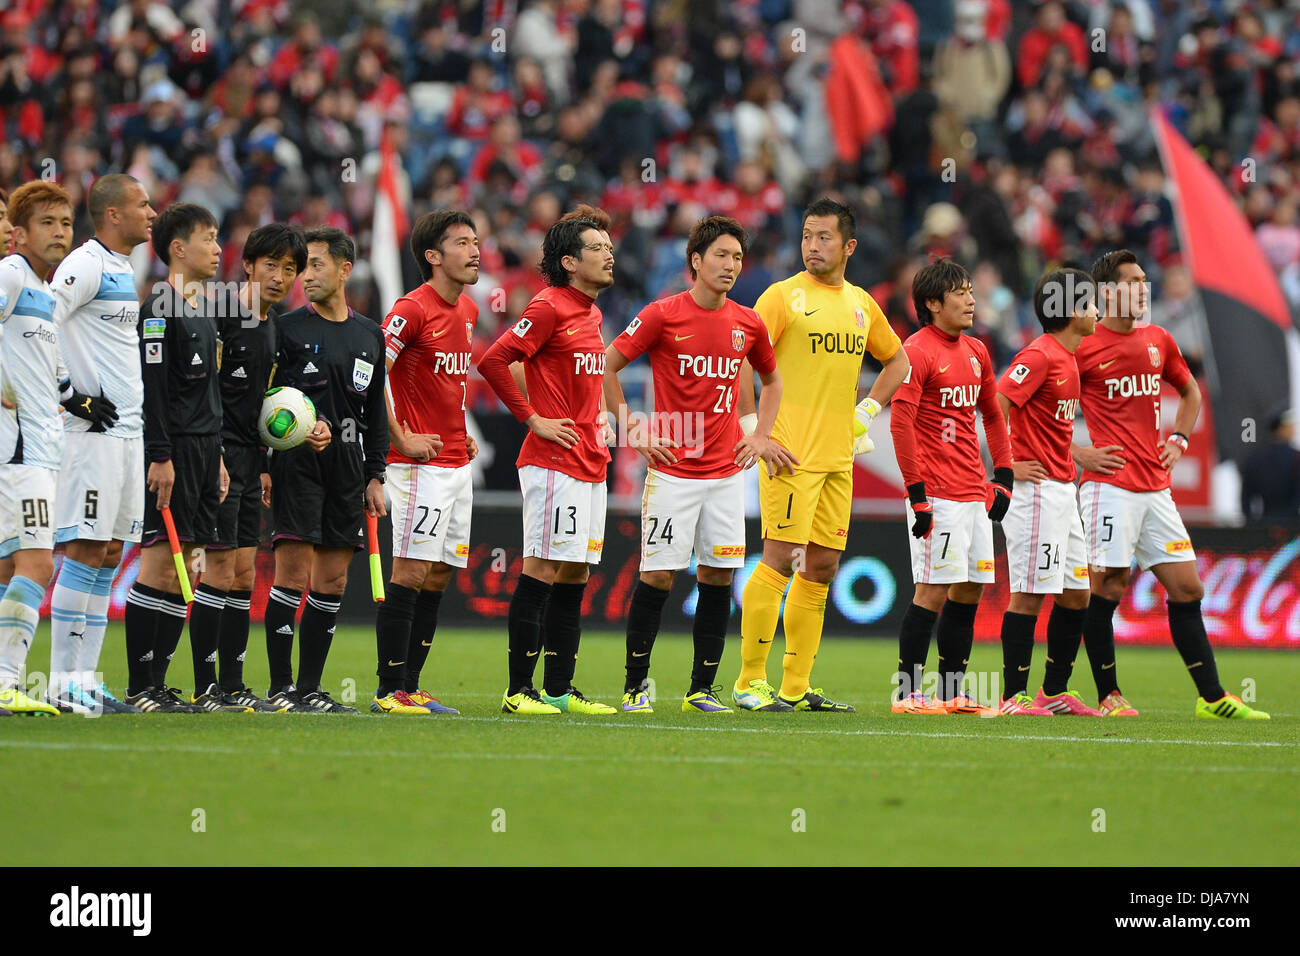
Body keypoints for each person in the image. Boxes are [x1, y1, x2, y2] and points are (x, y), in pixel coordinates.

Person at [603, 215, 796, 714]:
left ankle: (700, 691)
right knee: (659, 577)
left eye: (737, 257)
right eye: (721, 256)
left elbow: (772, 383)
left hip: (727, 474)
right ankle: (635, 687)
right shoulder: (662, 314)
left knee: (717, 578)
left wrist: (759, 435)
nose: (731, 265)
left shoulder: (747, 322)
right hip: (672, 474)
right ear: (695, 261)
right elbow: (607, 364)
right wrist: (633, 427)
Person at [1074, 250, 1269, 719]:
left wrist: (1179, 438)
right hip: (1108, 487)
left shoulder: (1158, 339)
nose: (1144, 288)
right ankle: (1107, 695)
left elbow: (1190, 391)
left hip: (1154, 488)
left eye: (1145, 280)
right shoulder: (1081, 347)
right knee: (1108, 586)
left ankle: (1213, 697)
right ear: (1108, 292)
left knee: (1188, 589)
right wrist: (1077, 453)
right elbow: (1033, 410)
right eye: (1133, 281)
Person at [733, 198, 908, 712]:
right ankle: (748, 682)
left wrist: (868, 410)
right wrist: (753, 430)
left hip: (838, 456)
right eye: (807, 235)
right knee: (781, 558)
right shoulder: (783, 297)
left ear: (848, 245)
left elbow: (898, 360)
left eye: (824, 237)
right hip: (790, 453)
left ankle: (795, 687)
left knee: (824, 566)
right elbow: (744, 359)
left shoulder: (860, 303)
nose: (813, 245)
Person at [478, 207, 618, 716]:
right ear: (569, 261)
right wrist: (533, 418)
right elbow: (493, 359)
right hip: (553, 460)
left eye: (608, 245)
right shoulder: (548, 307)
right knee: (541, 564)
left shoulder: (591, 312)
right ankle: (519, 691)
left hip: (590, 459)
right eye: (597, 248)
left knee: (577, 571)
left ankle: (559, 688)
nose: (609, 254)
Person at [262, 227, 388, 714]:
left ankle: (310, 689)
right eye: (301, 267)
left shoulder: (369, 334)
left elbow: (375, 412)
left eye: (314, 265)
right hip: (298, 464)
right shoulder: (286, 329)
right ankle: (279, 689)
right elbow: (264, 403)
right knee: (292, 575)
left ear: (344, 270)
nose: (305, 276)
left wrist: (376, 473)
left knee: (332, 582)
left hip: (349, 469)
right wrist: (282, 442)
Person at [123, 202, 237, 712]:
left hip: (204, 451)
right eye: (208, 238)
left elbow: (204, 392)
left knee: (184, 569)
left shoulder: (203, 310)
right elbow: (153, 388)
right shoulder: (159, 307)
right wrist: (161, 456)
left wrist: (216, 458)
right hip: (173, 453)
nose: (217, 248)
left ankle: (159, 684)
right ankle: (139, 685)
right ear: (177, 248)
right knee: (158, 566)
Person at [48, 173, 154, 714]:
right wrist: (70, 395)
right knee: (86, 549)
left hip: (126, 434)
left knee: (111, 553)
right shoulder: (84, 264)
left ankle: (85, 679)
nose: (152, 212)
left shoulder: (120, 267)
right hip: (92, 435)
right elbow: (42, 322)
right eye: (142, 204)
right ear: (113, 214)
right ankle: (61, 682)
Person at [889, 258, 1012, 715]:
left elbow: (993, 415)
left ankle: (951, 692)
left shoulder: (978, 350)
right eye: (960, 292)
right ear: (933, 303)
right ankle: (907, 693)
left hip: (973, 492)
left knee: (970, 588)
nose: (971, 299)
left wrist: (1003, 475)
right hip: (936, 494)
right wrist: (916, 493)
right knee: (932, 590)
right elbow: (900, 425)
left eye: (970, 291)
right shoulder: (916, 351)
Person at [372, 209, 481, 716]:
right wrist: (402, 437)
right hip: (417, 466)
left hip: (455, 461)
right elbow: (372, 374)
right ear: (433, 256)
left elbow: (445, 385)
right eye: (462, 242)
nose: (475, 250)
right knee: (411, 569)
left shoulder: (468, 311)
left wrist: (461, 433)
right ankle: (388, 689)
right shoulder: (411, 308)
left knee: (438, 573)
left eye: (475, 240)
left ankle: (413, 686)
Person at [994, 267, 1109, 717]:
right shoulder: (1039, 355)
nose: (1098, 310)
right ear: (1072, 310)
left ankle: (1053, 691)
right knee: (1028, 593)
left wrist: (1076, 452)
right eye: (1091, 302)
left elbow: (1044, 424)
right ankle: (1012, 697)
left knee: (1077, 593)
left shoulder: (1068, 357)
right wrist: (1005, 466)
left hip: (1065, 490)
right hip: (1036, 494)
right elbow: (994, 406)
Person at [202, 223, 307, 711]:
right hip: (218, 455)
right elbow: (203, 391)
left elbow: (262, 401)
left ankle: (232, 685)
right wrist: (214, 455)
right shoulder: (220, 314)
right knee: (220, 569)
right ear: (247, 265)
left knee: (244, 575)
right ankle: (204, 686)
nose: (280, 277)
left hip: (249, 457)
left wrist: (264, 461)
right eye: (271, 265)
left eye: (290, 269)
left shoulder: (272, 324)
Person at [0, 181, 76, 716]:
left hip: (37, 449)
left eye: (66, 223)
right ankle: (5, 679)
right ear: (18, 234)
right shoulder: (9, 276)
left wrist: (79, 401)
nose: (59, 233)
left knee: (10, 570)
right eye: (46, 224)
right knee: (36, 563)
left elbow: (51, 371)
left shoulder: (43, 291)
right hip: (19, 451)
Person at [1238, 407, 1300, 523]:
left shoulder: (1254, 457)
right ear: (1281, 428)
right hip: (1291, 526)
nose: (1294, 429)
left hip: (1264, 524)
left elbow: (1246, 497)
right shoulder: (1296, 457)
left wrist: (1253, 523)